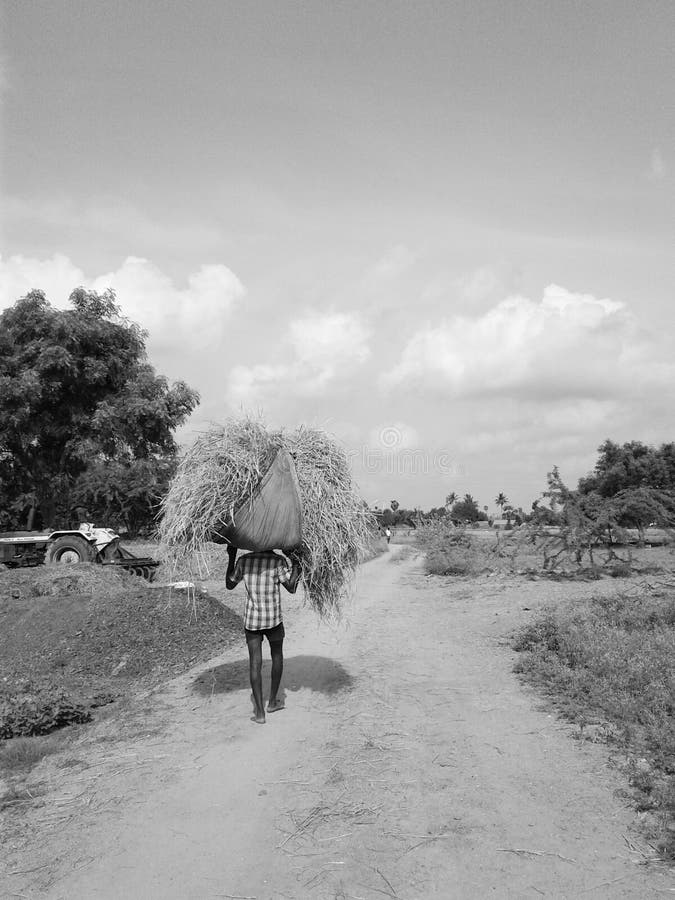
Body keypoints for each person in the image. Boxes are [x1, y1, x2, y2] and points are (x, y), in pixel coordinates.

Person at [225, 545, 301, 724]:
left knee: (255, 663)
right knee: (277, 657)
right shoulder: (277, 561)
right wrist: (297, 563)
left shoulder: (244, 561)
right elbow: (291, 587)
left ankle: (259, 713)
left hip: (252, 621)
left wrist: (232, 555)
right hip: (273, 619)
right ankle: (273, 701)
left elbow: (229, 584)